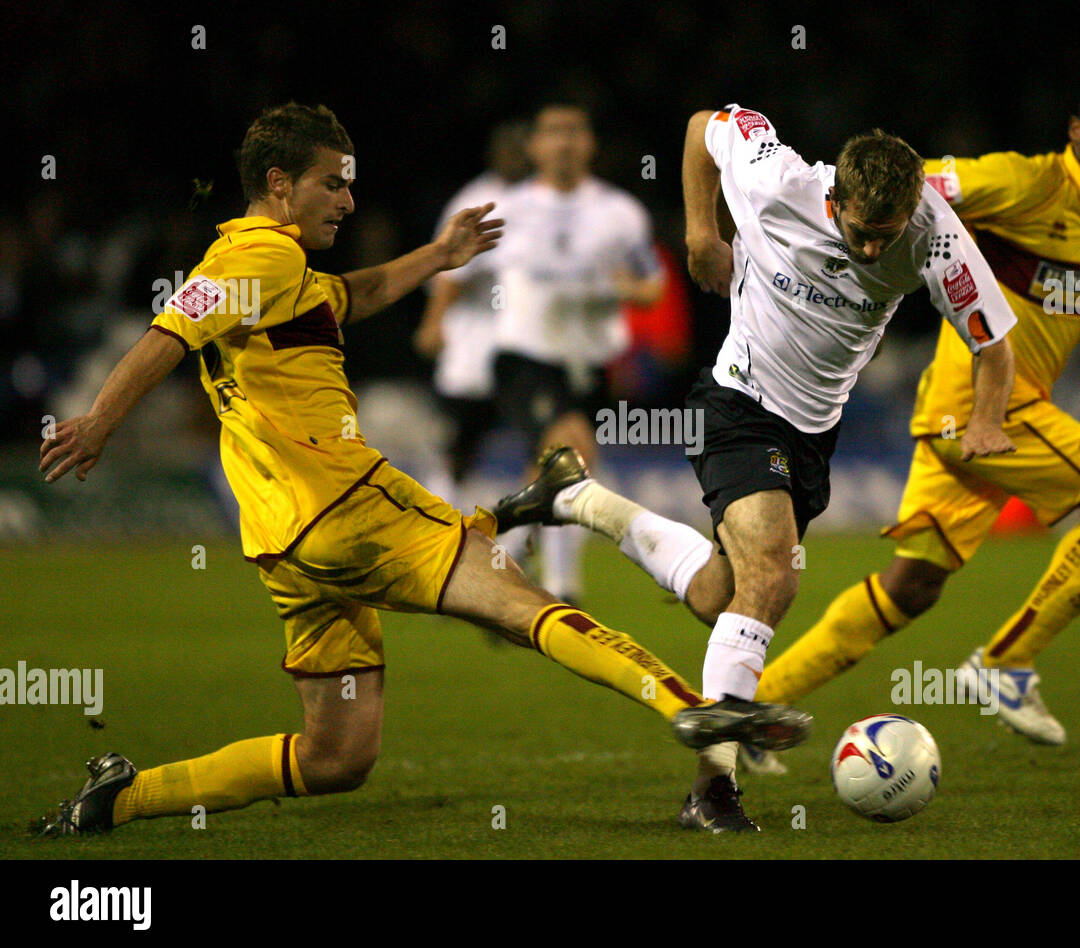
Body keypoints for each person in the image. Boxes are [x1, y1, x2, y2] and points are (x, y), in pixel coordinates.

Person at [32, 102, 809, 837]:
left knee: (335, 758)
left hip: (282, 546)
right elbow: (166, 333)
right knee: (519, 601)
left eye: (350, 179)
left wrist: (440, 256)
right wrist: (100, 420)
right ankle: (691, 707)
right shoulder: (262, 257)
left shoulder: (267, 266)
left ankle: (121, 799)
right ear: (279, 185)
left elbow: (354, 295)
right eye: (331, 182)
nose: (347, 197)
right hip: (347, 506)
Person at [495, 102, 1019, 830]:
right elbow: (699, 125)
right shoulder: (777, 177)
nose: (872, 253)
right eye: (861, 233)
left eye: (886, 237)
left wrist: (988, 420)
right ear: (833, 199)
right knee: (773, 573)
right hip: (737, 403)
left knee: (722, 595)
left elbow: (993, 345)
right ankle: (712, 790)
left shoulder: (935, 237)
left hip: (812, 435)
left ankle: (578, 498)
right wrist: (700, 232)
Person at [750, 76, 1080, 750]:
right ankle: (1005, 663)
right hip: (986, 405)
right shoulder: (1022, 183)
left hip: (973, 418)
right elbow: (913, 182)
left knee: (912, 586)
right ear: (1075, 131)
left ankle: (749, 710)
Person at [479, 103, 664, 604]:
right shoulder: (505, 208)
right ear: (534, 145)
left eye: (574, 131)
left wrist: (625, 288)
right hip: (526, 355)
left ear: (590, 144)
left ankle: (502, 565)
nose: (564, 141)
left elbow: (653, 285)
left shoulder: (620, 212)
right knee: (569, 452)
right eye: (553, 132)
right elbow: (460, 278)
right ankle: (562, 589)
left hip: (590, 361)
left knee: (552, 472)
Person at [414, 120, 531, 496]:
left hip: (525, 339)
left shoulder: (540, 197)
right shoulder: (478, 199)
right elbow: (450, 274)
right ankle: (439, 512)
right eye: (508, 149)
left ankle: (525, 531)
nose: (514, 156)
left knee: (544, 436)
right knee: (462, 443)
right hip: (475, 341)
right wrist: (433, 323)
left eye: (520, 149)